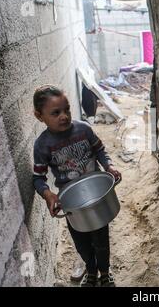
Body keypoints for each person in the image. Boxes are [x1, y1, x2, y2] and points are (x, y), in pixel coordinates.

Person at [32, 85, 122, 287]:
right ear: (39, 116)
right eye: (55, 113)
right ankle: (91, 272)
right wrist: (49, 196)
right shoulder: (42, 145)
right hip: (72, 204)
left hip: (97, 197)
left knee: (101, 240)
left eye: (67, 110)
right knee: (82, 243)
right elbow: (38, 178)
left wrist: (109, 165)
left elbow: (100, 151)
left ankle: (105, 272)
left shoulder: (83, 129)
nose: (63, 116)